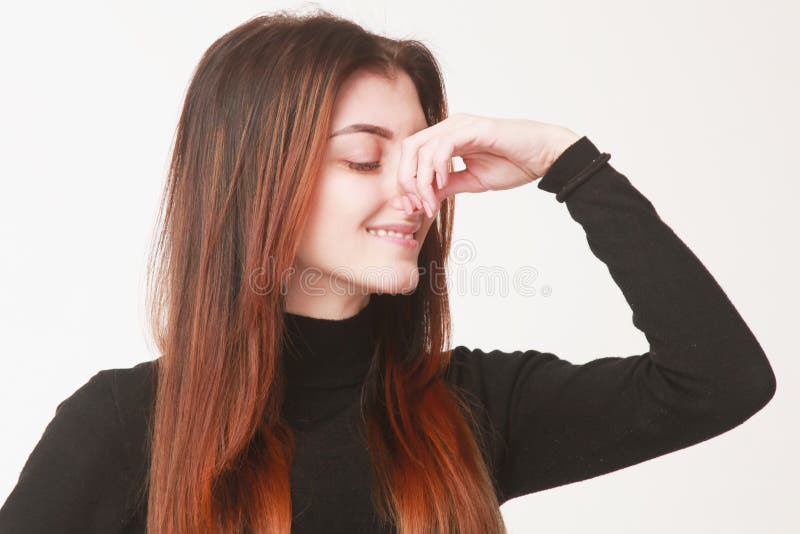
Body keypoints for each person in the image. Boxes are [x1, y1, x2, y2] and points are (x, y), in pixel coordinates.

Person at [0, 9, 776, 534]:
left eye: (419, 159)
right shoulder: (122, 425)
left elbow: (720, 381)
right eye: (366, 158)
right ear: (254, 179)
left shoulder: (467, 408)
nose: (416, 190)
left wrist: (565, 163)